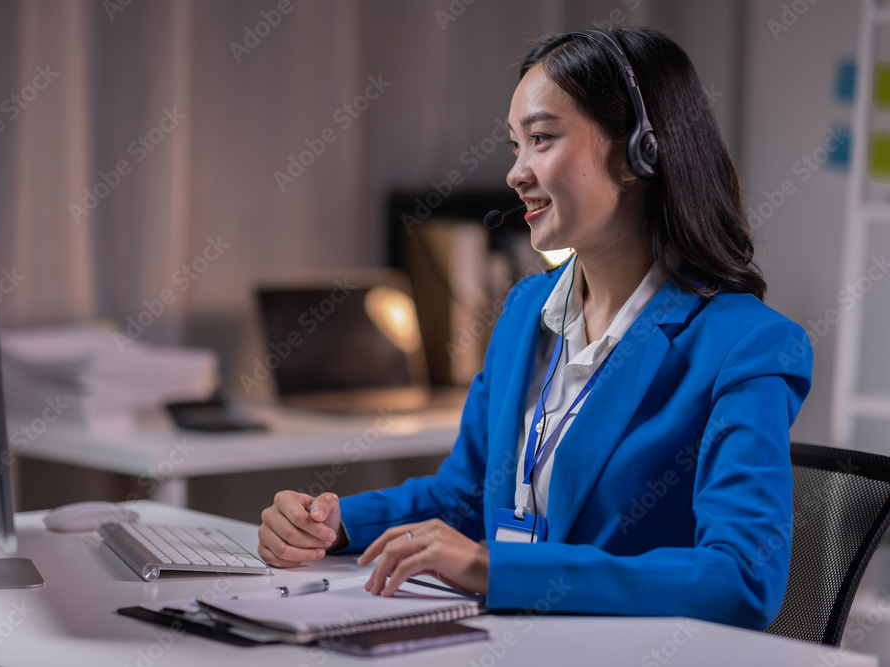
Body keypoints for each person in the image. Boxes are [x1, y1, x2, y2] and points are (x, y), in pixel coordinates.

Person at [257, 26, 812, 631]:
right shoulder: (527, 309)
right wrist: (335, 523)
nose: (515, 172)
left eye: (541, 139)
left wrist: (498, 571)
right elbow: (468, 497)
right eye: (515, 144)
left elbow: (740, 580)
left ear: (637, 152)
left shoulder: (746, 344)